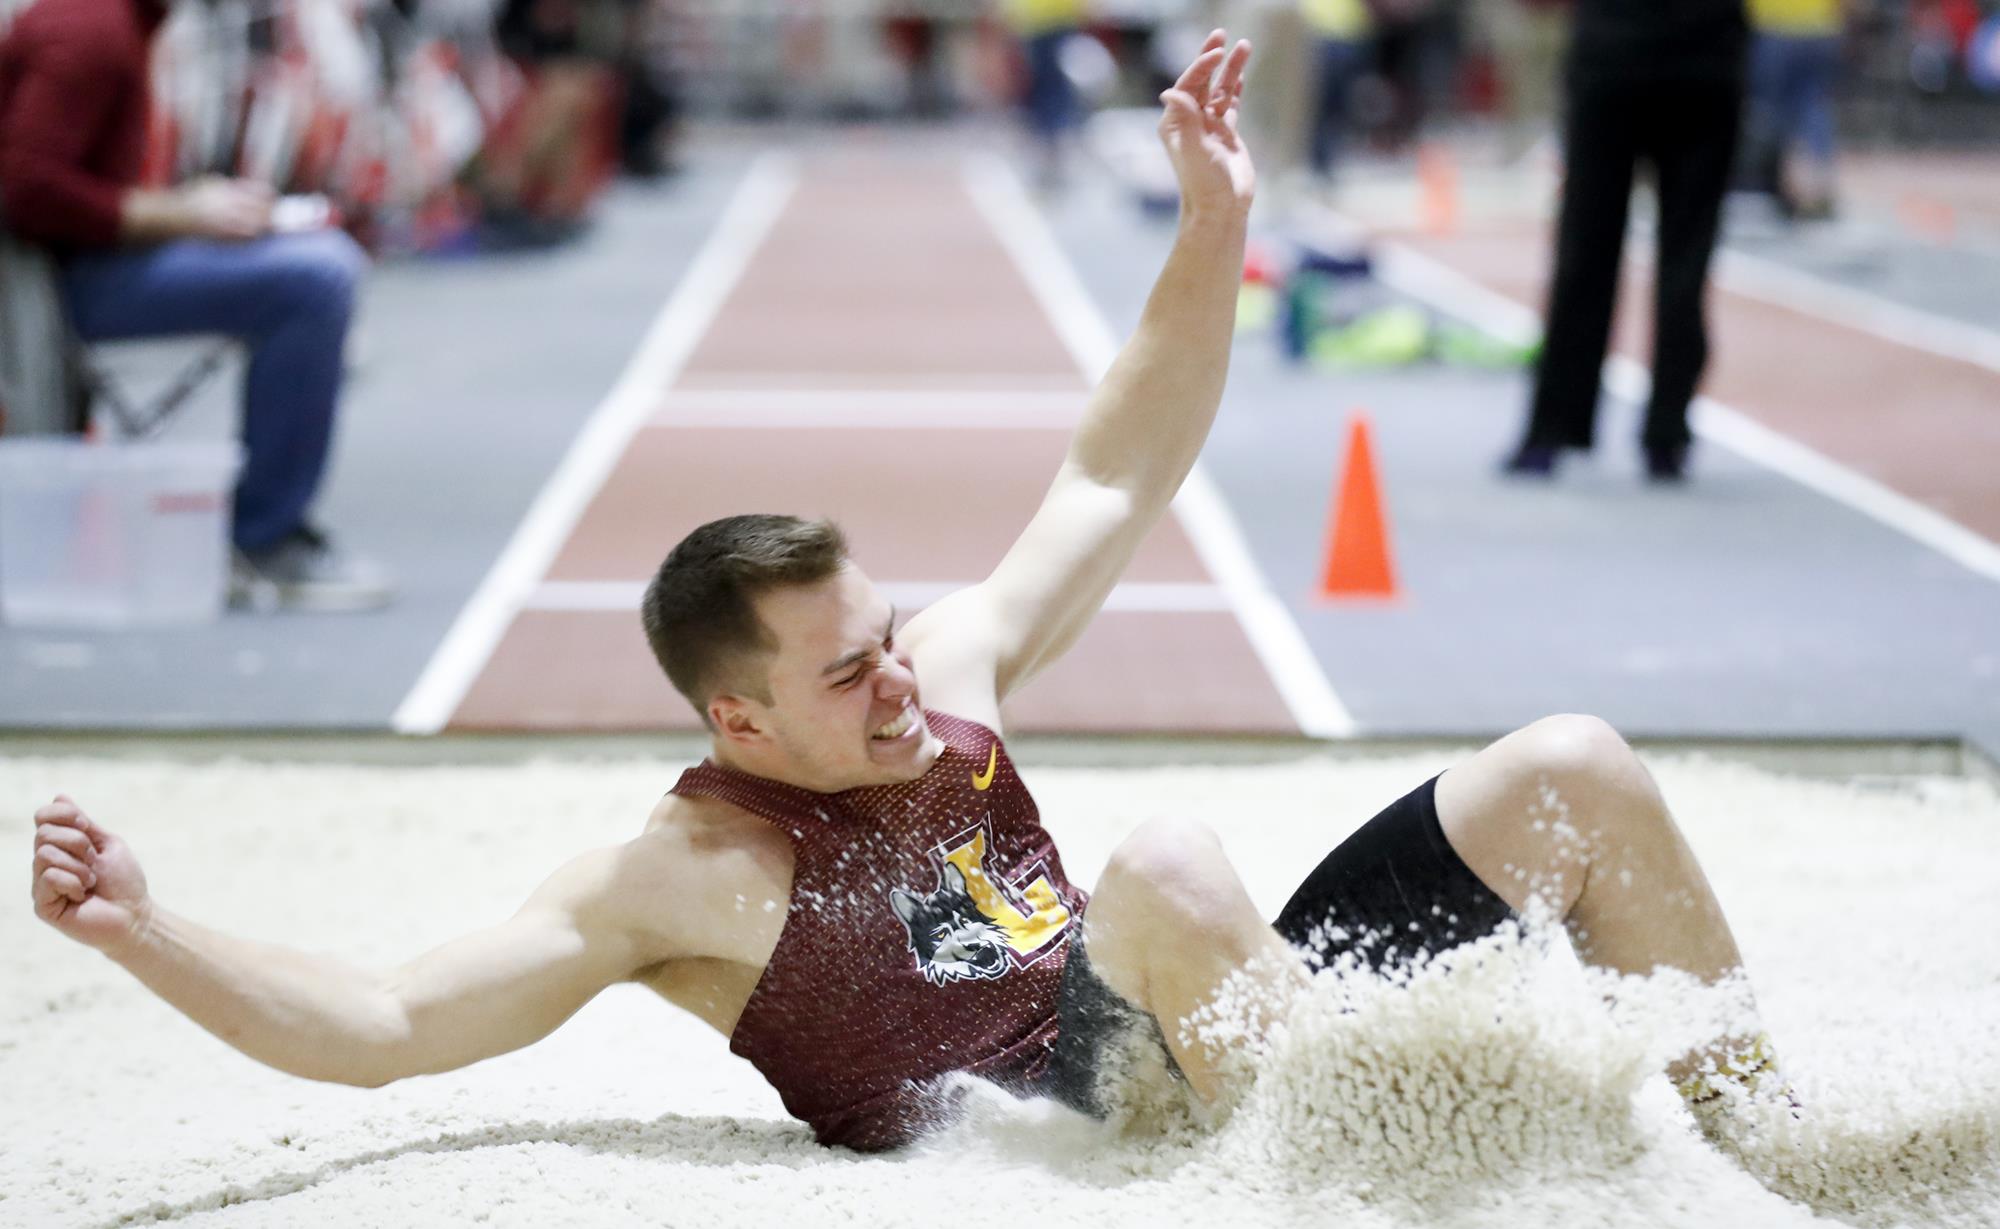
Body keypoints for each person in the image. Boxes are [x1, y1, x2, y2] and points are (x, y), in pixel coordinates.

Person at [29, 34, 1784, 1153]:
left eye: (888, 643)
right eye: (850, 676)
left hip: (1214, 1014)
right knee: (1168, 864)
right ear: (739, 718)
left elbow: (1112, 472)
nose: (905, 688)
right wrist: (144, 927)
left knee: (1573, 763)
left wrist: (1203, 227)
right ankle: (1363, 1156)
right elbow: (389, 1027)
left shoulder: (936, 673)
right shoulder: (684, 874)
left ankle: (1779, 1135)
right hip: (1093, 1117)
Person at [0, 0, 392, 610]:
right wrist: (180, 213)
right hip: (47, 290)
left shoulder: (116, 21)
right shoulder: (91, 30)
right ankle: (263, 540)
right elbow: (23, 190)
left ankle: (265, 533)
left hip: (77, 264)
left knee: (314, 256)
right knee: (317, 278)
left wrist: (189, 205)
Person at [1500, 0, 1749, 484]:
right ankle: (1667, 436)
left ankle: (1551, 430)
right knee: (1686, 258)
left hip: (1614, 58)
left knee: (1585, 247)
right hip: (1705, 61)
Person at [1744, 0, 1844, 220]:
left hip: (1774, 29)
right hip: (1821, 30)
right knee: (1814, 107)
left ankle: (1786, 185)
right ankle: (1818, 185)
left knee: (1774, 112)